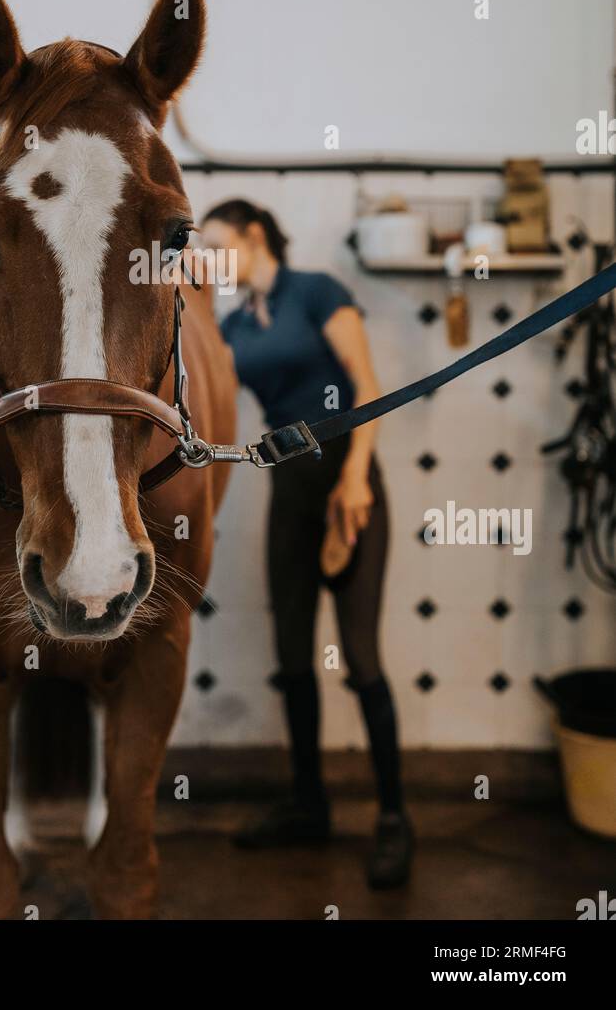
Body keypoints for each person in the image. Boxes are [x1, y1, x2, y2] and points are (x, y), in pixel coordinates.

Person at [200, 198, 413, 889]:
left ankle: (392, 818)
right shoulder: (231, 326)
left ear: (255, 236)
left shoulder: (316, 292)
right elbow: (210, 397)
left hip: (348, 487)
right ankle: (310, 805)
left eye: (218, 245)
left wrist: (356, 479)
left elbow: (368, 389)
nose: (212, 260)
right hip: (289, 496)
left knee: (360, 658)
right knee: (293, 660)